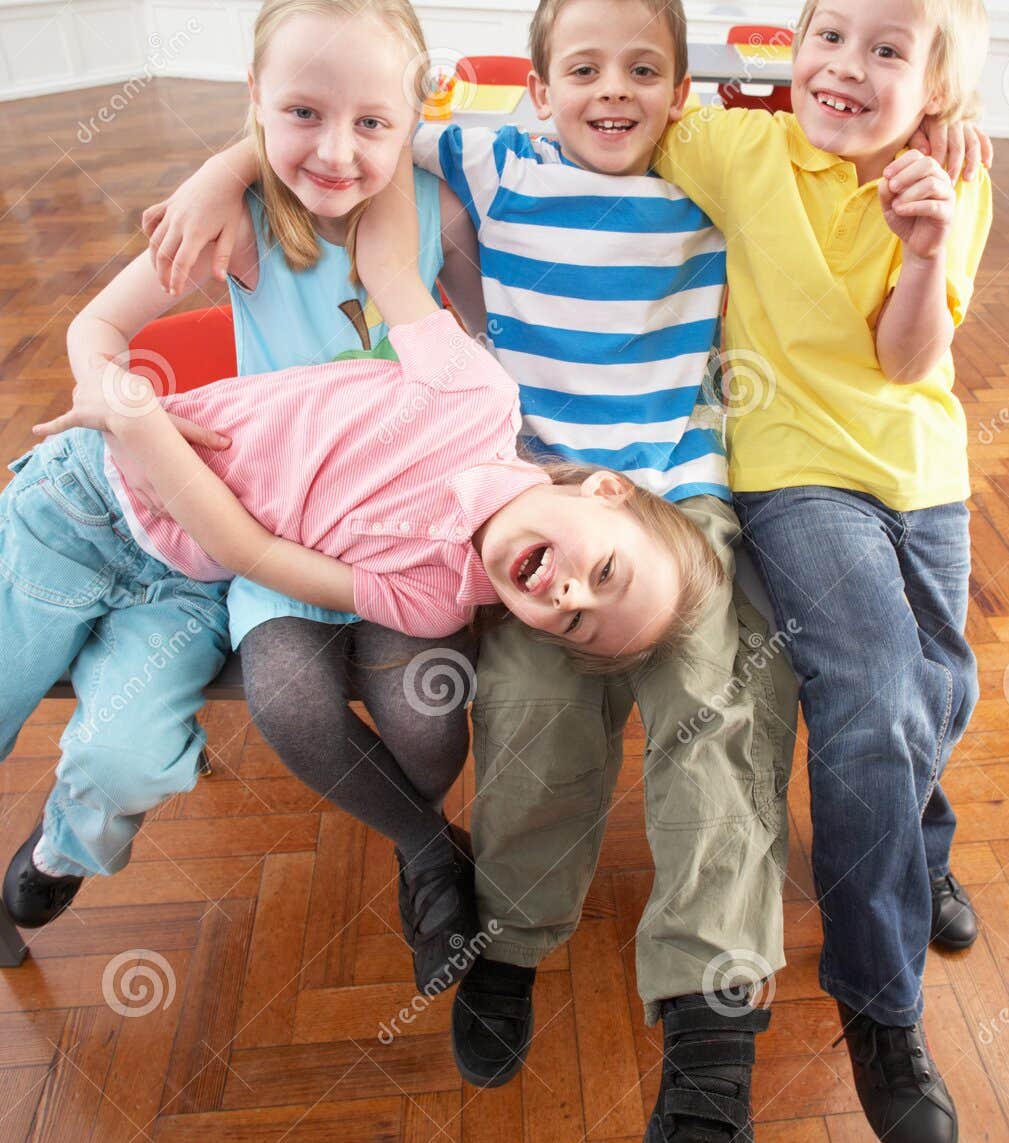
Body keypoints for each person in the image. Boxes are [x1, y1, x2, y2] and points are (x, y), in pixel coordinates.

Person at [135, 0, 796, 1143]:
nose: (614, 93)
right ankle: (512, 934)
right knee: (538, 708)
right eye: (584, 69)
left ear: (683, 92)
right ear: (533, 90)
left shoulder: (718, 168)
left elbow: (842, 156)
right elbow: (348, 139)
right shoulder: (494, 157)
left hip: (680, 496)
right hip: (530, 500)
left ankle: (713, 1013)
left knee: (717, 711)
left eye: (645, 71)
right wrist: (225, 159)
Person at [1, 172, 721, 1002]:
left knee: (136, 753)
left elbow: (259, 555)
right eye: (603, 572)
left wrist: (145, 432)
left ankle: (406, 848)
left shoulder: (438, 598)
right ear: (603, 489)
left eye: (575, 624)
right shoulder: (478, 396)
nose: (569, 596)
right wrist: (276, 148)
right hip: (87, 494)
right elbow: (386, 260)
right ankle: (425, 849)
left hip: (188, 571)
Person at [655, 0, 994, 1143]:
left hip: (925, 472)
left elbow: (910, 360)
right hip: (797, 468)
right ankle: (879, 998)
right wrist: (233, 164)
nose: (846, 66)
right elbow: (606, 103)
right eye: (829, 37)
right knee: (875, 699)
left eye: (888, 50)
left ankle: (920, 845)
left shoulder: (953, 183)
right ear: (793, 52)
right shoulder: (742, 149)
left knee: (940, 692)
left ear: (939, 91)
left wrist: (924, 244)